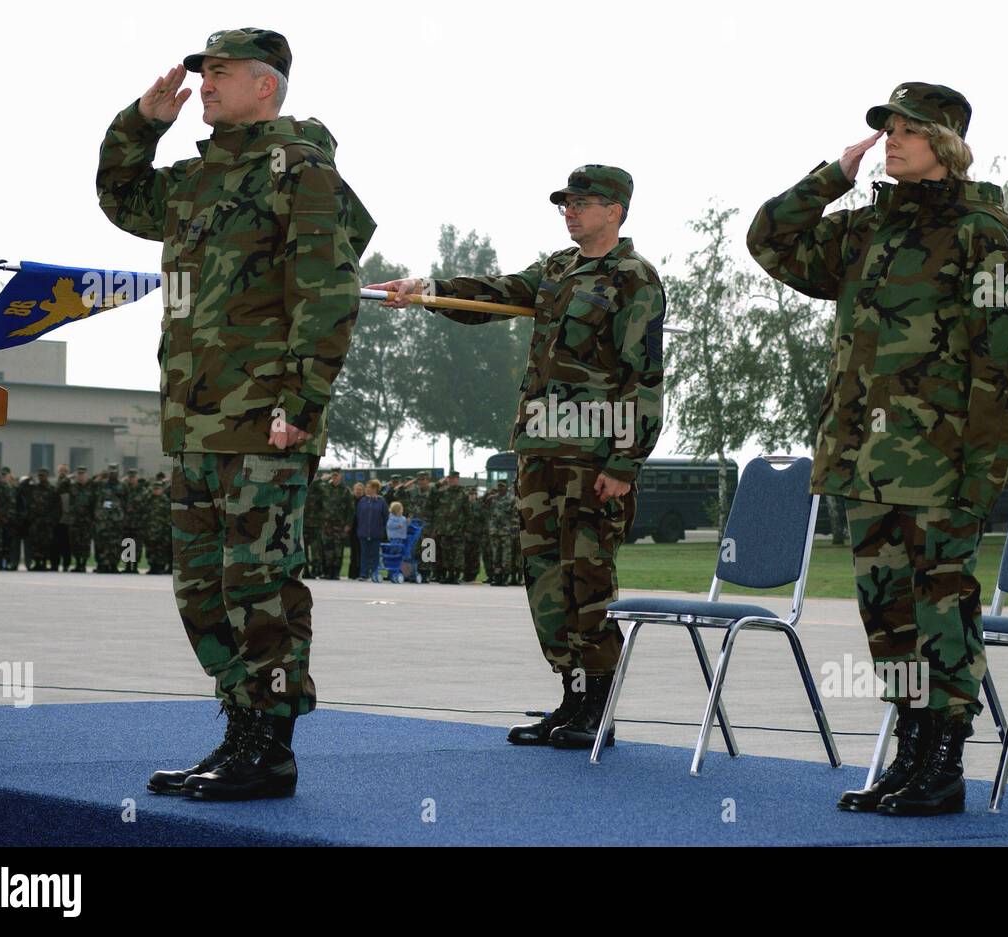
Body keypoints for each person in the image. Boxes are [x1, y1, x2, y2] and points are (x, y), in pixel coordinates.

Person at [98, 26, 374, 800]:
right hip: (195, 419)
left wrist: (301, 401)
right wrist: (140, 124)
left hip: (266, 417)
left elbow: (329, 293)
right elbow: (120, 198)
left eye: (219, 74)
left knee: (260, 581)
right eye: (202, 73)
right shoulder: (196, 180)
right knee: (201, 586)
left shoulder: (302, 170)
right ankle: (240, 725)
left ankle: (272, 745)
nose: (205, 85)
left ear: (265, 86)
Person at [746, 82, 1008, 815]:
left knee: (943, 610)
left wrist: (983, 473)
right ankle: (909, 751)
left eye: (908, 130)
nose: (892, 139)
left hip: (939, 464)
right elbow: (769, 241)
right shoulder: (864, 229)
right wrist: (830, 177)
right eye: (888, 128)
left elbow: (1002, 367)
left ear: (947, 145)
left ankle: (945, 762)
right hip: (864, 462)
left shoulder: (981, 234)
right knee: (887, 618)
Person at [368, 165, 664, 749]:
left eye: (582, 203)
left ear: (615, 210)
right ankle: (571, 699)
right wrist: (424, 290)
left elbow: (645, 376)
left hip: (593, 457)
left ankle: (597, 711)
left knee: (588, 579)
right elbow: (494, 294)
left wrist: (624, 463)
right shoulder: (556, 270)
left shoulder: (635, 279)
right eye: (566, 204)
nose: (570, 211)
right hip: (538, 452)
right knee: (544, 576)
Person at [355, 479, 388, 582]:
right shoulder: (362, 501)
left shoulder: (381, 501)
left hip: (376, 532)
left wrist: (381, 529)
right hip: (363, 532)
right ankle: (363, 574)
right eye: (367, 487)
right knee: (364, 554)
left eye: (369, 487)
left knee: (374, 554)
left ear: (375, 489)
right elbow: (358, 516)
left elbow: (385, 517)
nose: (367, 489)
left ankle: (374, 573)